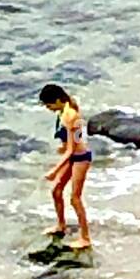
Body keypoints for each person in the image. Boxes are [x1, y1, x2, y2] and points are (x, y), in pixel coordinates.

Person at [38, 83, 92, 250]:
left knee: (75, 198)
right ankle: (61, 225)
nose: (48, 108)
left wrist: (55, 170)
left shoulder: (71, 115)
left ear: (58, 100)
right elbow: (74, 139)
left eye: (49, 105)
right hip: (73, 155)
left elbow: (72, 149)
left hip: (80, 158)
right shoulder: (64, 111)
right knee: (56, 191)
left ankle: (85, 237)